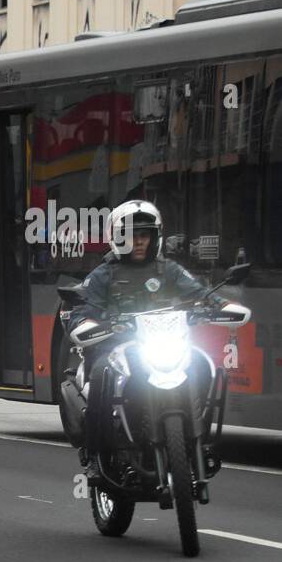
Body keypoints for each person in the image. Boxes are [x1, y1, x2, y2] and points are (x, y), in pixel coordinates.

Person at [67, 200, 221, 480]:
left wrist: (218, 305)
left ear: (154, 237)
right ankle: (94, 456)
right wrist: (84, 322)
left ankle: (199, 439)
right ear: (116, 237)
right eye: (130, 235)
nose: (138, 242)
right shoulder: (104, 274)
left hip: (162, 343)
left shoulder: (169, 270)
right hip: (118, 349)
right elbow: (83, 308)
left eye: (144, 235)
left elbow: (200, 293)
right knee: (101, 374)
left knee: (201, 364)